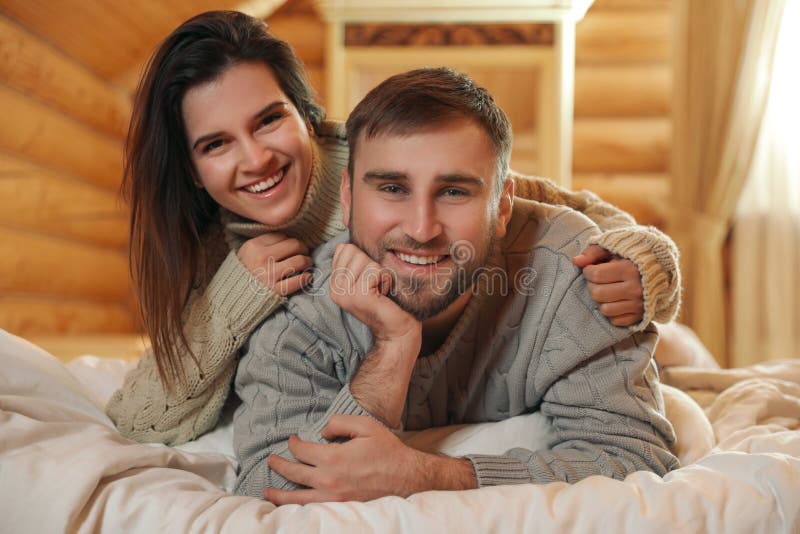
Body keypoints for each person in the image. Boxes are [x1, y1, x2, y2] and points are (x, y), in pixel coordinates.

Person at [106, 10, 681, 447]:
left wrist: (641, 261)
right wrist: (237, 292)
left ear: (305, 117)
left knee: (666, 356)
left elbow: (559, 208)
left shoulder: (395, 170)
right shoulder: (213, 253)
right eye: (216, 144)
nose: (256, 159)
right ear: (195, 173)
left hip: (498, 365)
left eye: (268, 120)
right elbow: (139, 420)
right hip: (368, 404)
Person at [233, 67, 679, 503]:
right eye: (392, 188)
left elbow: (635, 457)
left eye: (454, 192)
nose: (422, 229)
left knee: (683, 358)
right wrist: (393, 344)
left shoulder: (572, 270)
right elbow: (264, 488)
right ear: (347, 197)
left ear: (503, 206)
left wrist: (429, 476)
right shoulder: (299, 302)